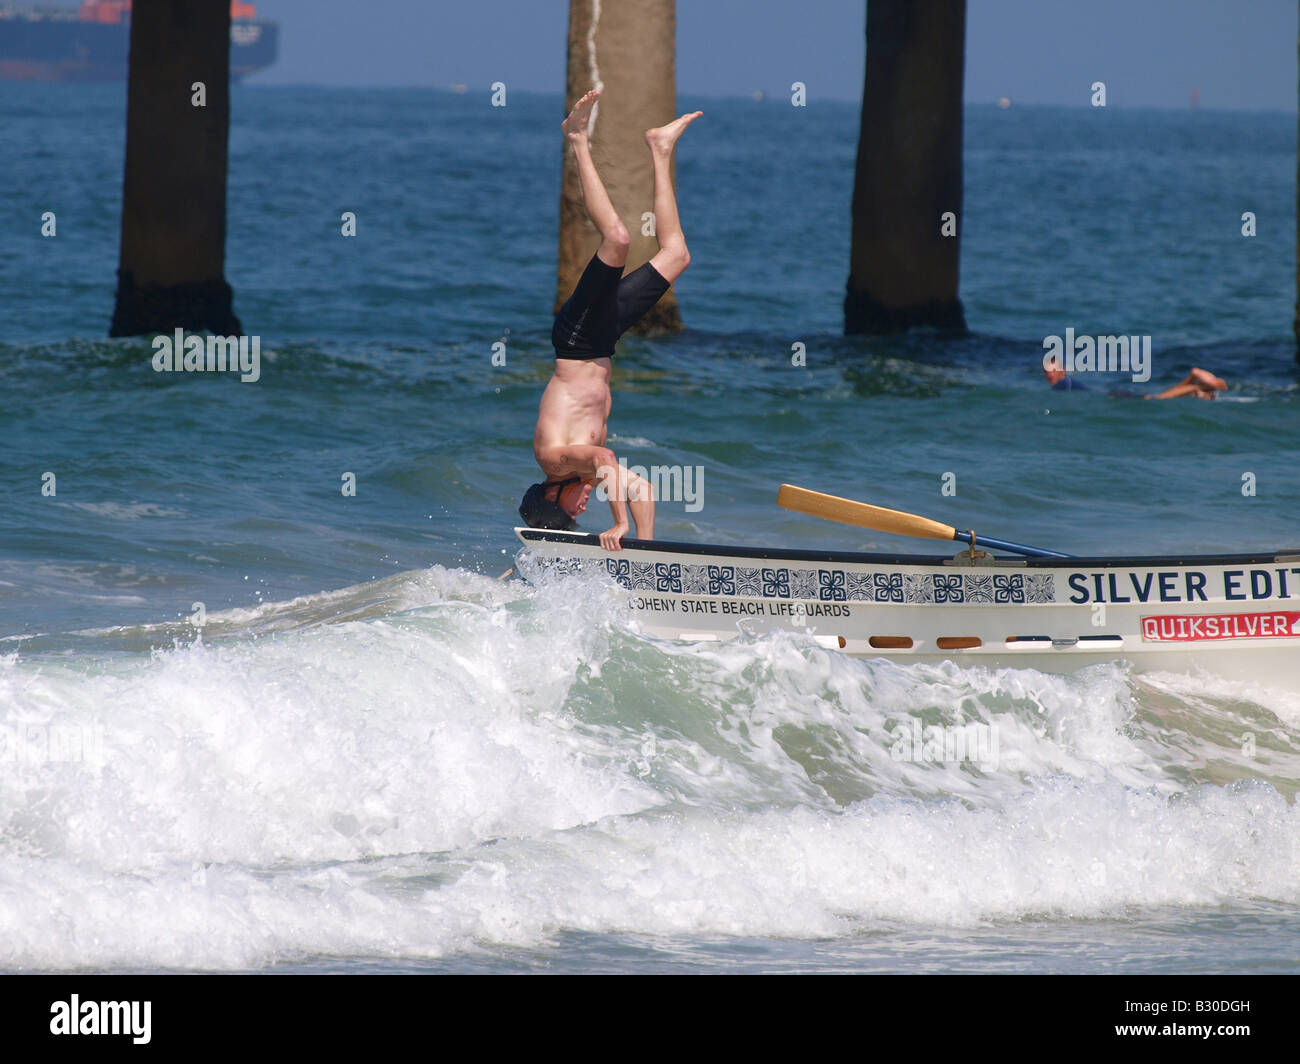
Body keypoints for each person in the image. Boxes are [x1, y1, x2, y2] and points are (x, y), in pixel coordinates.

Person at [520, 89, 701, 551]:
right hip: (604, 340)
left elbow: (603, 455)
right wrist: (644, 546)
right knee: (676, 255)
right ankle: (660, 149)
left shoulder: (557, 461)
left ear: (553, 491)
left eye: (571, 510)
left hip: (577, 339)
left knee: (618, 239)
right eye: (579, 515)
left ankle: (577, 138)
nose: (582, 509)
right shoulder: (581, 475)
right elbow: (641, 488)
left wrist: (618, 525)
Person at [1042, 363, 1227, 399]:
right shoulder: (1066, 383)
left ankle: (1199, 385)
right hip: (1112, 396)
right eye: (1047, 372)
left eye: (1053, 371)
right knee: (1158, 397)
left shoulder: (1061, 385)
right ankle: (1193, 382)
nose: (1050, 375)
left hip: (1112, 398)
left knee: (1158, 398)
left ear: (1062, 370)